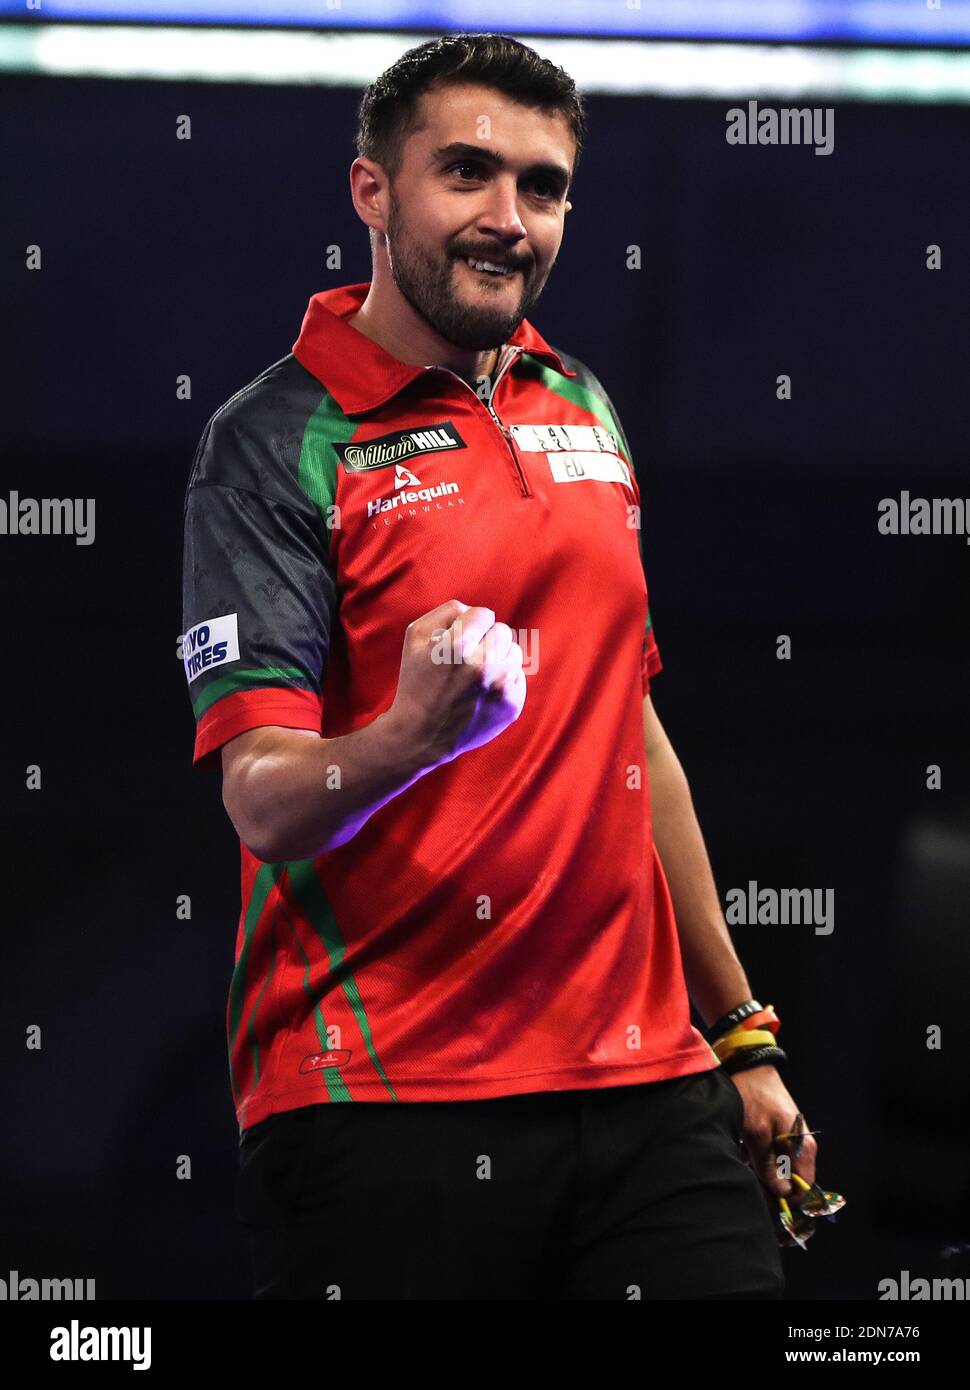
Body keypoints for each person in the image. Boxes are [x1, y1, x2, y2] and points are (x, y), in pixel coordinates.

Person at [180, 32, 815, 1300]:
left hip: (647, 1091)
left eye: (543, 186)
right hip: (384, 1101)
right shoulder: (272, 440)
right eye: (465, 174)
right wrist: (410, 734)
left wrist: (737, 1031)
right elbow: (261, 796)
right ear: (373, 192)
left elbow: (627, 736)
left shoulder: (579, 401)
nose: (506, 219)